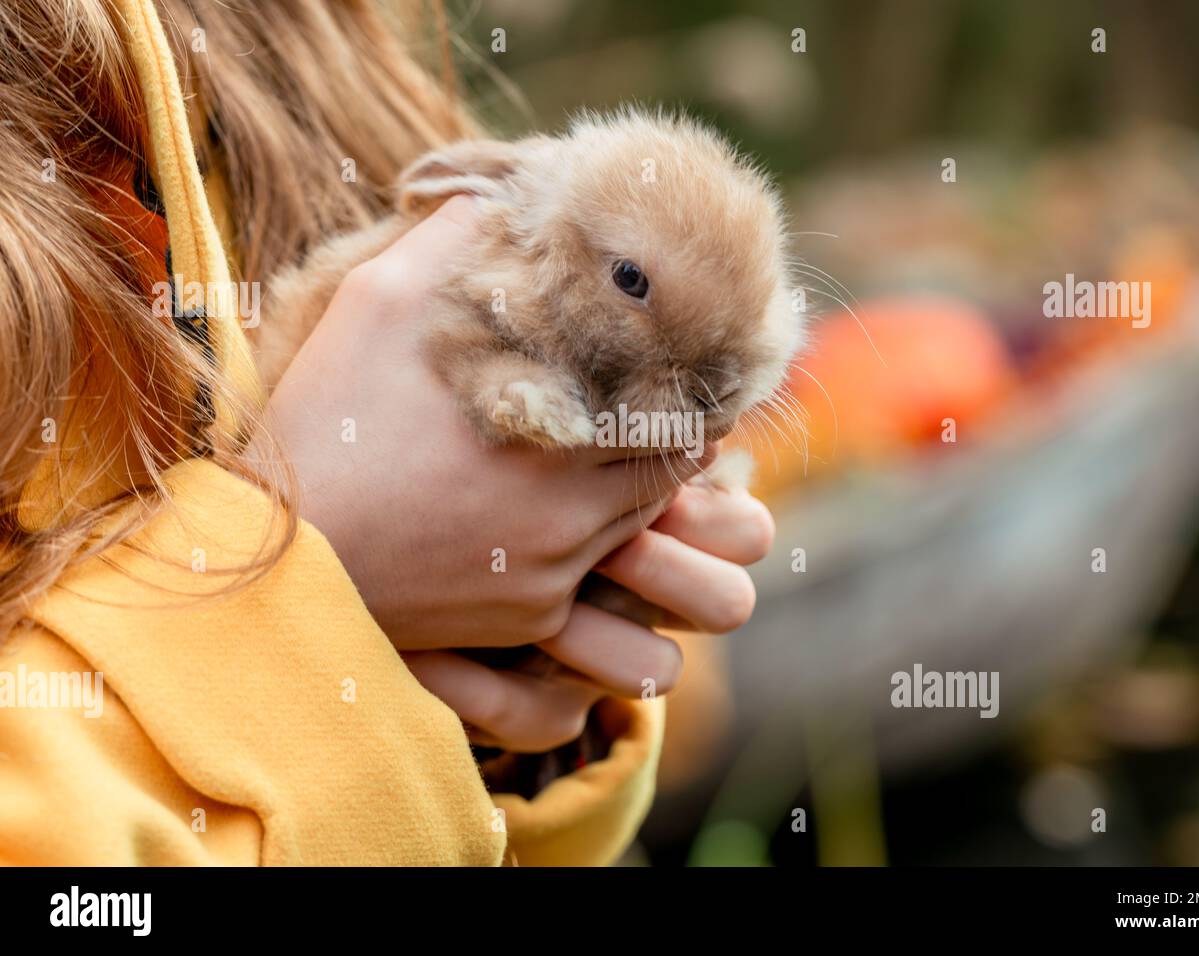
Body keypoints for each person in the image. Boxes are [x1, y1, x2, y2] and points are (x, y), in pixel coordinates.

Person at [0, 0, 773, 865]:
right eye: (628, 280)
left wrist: (512, 725)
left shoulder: (329, 42)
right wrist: (294, 589)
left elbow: (549, 784)